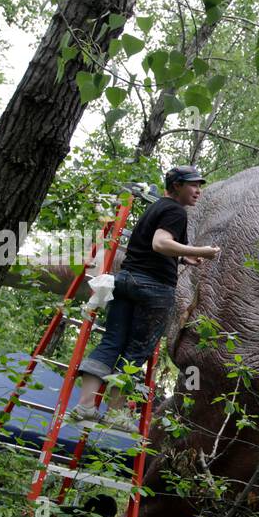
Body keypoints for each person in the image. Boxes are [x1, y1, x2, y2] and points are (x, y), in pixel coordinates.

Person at [67, 165, 220, 431]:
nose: (198, 191)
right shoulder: (175, 211)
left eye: (199, 185)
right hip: (153, 289)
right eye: (193, 185)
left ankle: (85, 406)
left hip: (126, 280)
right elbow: (160, 243)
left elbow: (151, 246)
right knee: (136, 352)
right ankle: (116, 415)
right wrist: (202, 251)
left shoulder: (157, 207)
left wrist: (182, 257)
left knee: (111, 341)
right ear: (176, 186)